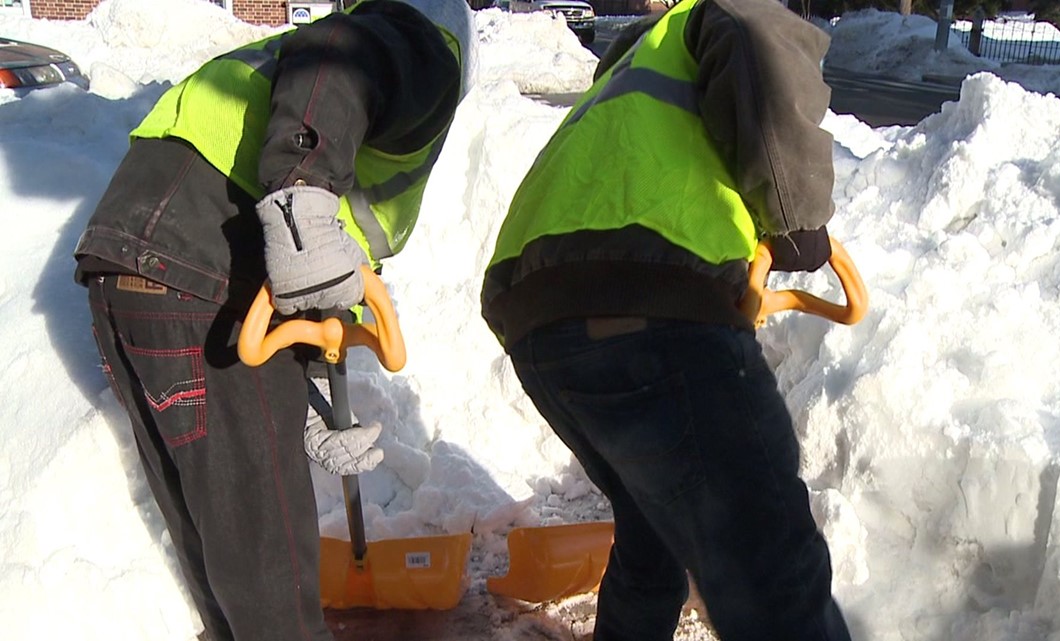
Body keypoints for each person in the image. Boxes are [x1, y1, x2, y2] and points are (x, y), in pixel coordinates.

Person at [73, 1, 473, 639]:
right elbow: (341, 49)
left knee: (225, 563)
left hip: (130, 269)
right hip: (204, 274)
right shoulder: (421, 46)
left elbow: (302, 275)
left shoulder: (277, 74)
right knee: (272, 585)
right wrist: (304, 197)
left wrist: (302, 402)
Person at [481, 0, 852, 640]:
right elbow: (760, 56)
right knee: (767, 562)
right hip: (649, 302)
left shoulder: (643, 49)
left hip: (536, 315)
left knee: (652, 539)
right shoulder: (728, 11)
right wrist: (797, 217)